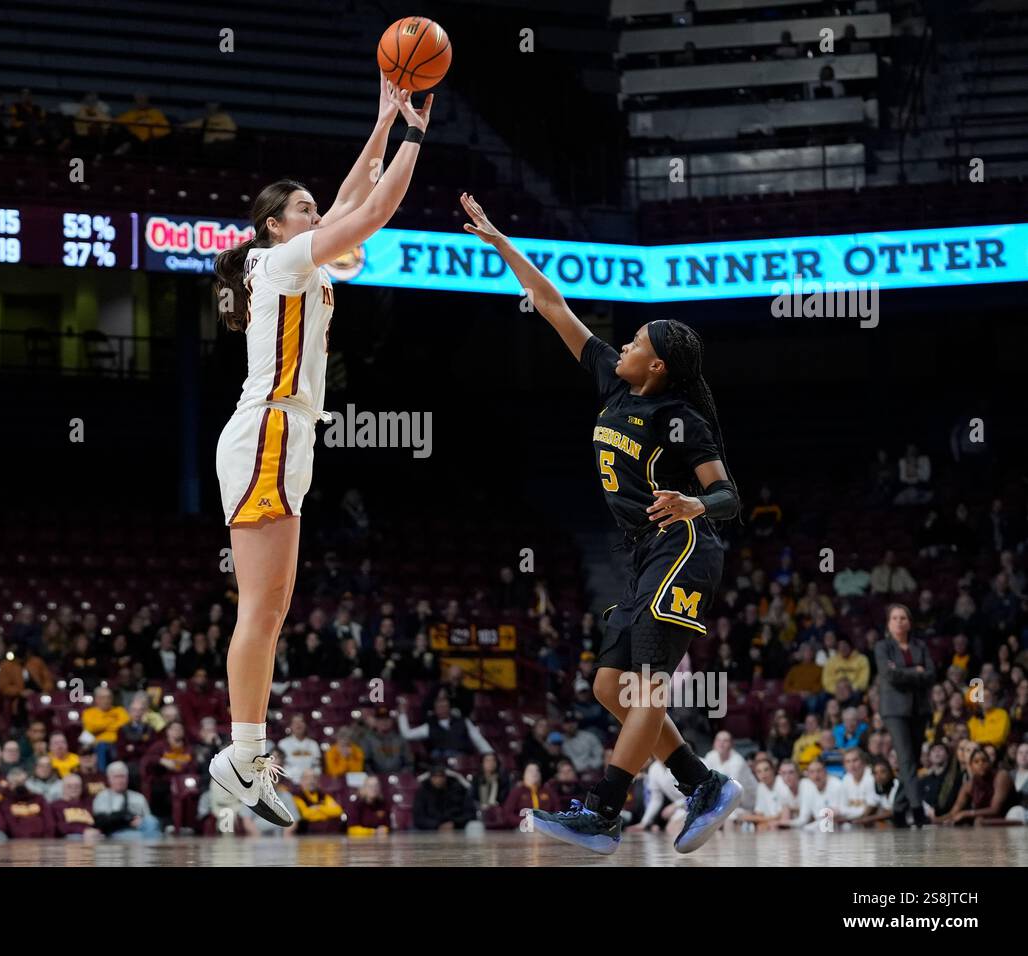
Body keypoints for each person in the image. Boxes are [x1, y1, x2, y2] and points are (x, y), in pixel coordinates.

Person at [460, 191, 744, 855]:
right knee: (609, 686)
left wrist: (695, 504)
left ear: (659, 365)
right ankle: (701, 783)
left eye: (637, 342)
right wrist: (502, 244)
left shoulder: (680, 419)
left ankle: (606, 811)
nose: (623, 342)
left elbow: (729, 495)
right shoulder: (614, 382)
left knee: (643, 685)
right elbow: (554, 306)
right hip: (646, 550)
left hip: (687, 545)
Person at [204, 77, 433, 828]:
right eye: (301, 209)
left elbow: (346, 198)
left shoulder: (291, 259)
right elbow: (370, 209)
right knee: (259, 610)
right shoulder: (287, 263)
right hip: (269, 430)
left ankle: (246, 755)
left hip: (284, 437)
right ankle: (240, 758)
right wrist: (415, 136)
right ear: (274, 227)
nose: (316, 215)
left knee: (271, 609)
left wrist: (379, 123)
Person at [875, 603, 935, 826]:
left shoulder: (920, 646)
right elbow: (889, 676)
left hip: (920, 708)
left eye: (903, 618)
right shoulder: (883, 647)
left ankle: (899, 810)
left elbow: (930, 674)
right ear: (888, 623)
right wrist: (915, 672)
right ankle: (917, 810)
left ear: (909, 622)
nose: (899, 622)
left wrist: (905, 673)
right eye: (894, 618)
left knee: (914, 760)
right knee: (907, 759)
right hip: (895, 710)